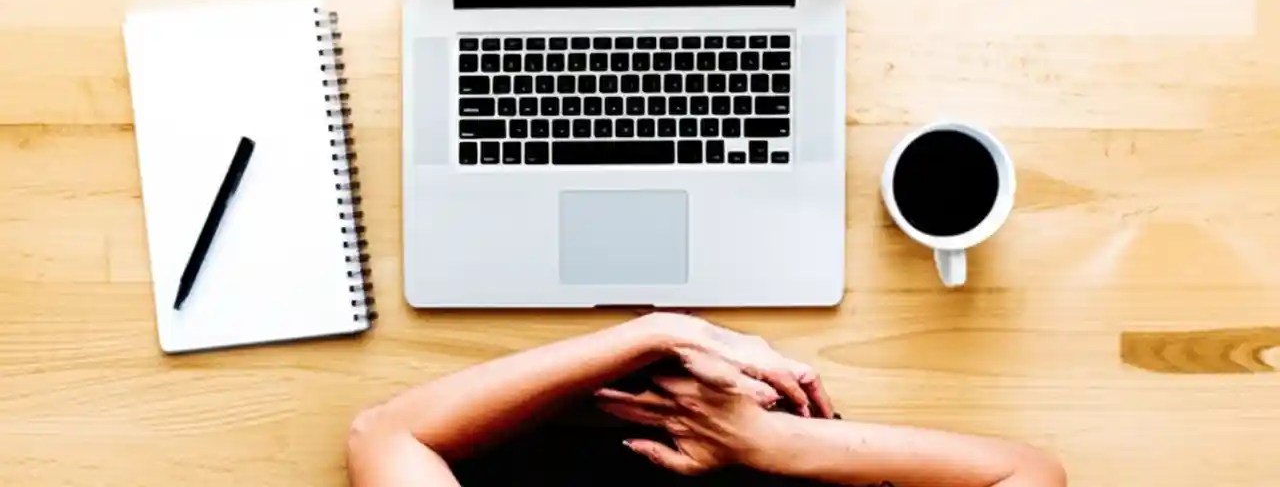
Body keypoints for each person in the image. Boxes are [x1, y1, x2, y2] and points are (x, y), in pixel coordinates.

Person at [346, 313, 1066, 486]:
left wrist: (659, 331)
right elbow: (1030, 474)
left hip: (567, 401)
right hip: (762, 415)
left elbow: (383, 437)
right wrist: (776, 445)